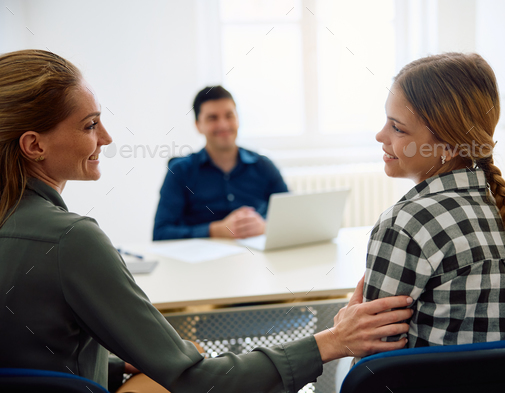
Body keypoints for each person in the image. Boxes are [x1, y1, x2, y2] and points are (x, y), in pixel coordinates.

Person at [0, 49, 413, 393]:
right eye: (90, 125)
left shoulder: (262, 165)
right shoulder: (73, 239)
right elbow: (198, 381)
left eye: (229, 115)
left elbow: (32, 357)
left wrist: (110, 364)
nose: (107, 138)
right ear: (34, 145)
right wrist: (332, 341)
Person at [364, 52, 505, 348]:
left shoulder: (403, 225)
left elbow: (371, 357)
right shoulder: (495, 209)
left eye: (397, 128)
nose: (380, 135)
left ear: (448, 147)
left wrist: (344, 321)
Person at [153, 86, 287, 241]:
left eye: (229, 116)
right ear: (198, 125)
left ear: (238, 119)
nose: (223, 125)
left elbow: (293, 216)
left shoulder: (263, 165)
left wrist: (265, 227)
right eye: (213, 118)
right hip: (201, 261)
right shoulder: (180, 171)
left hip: (257, 257)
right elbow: (161, 233)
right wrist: (215, 230)